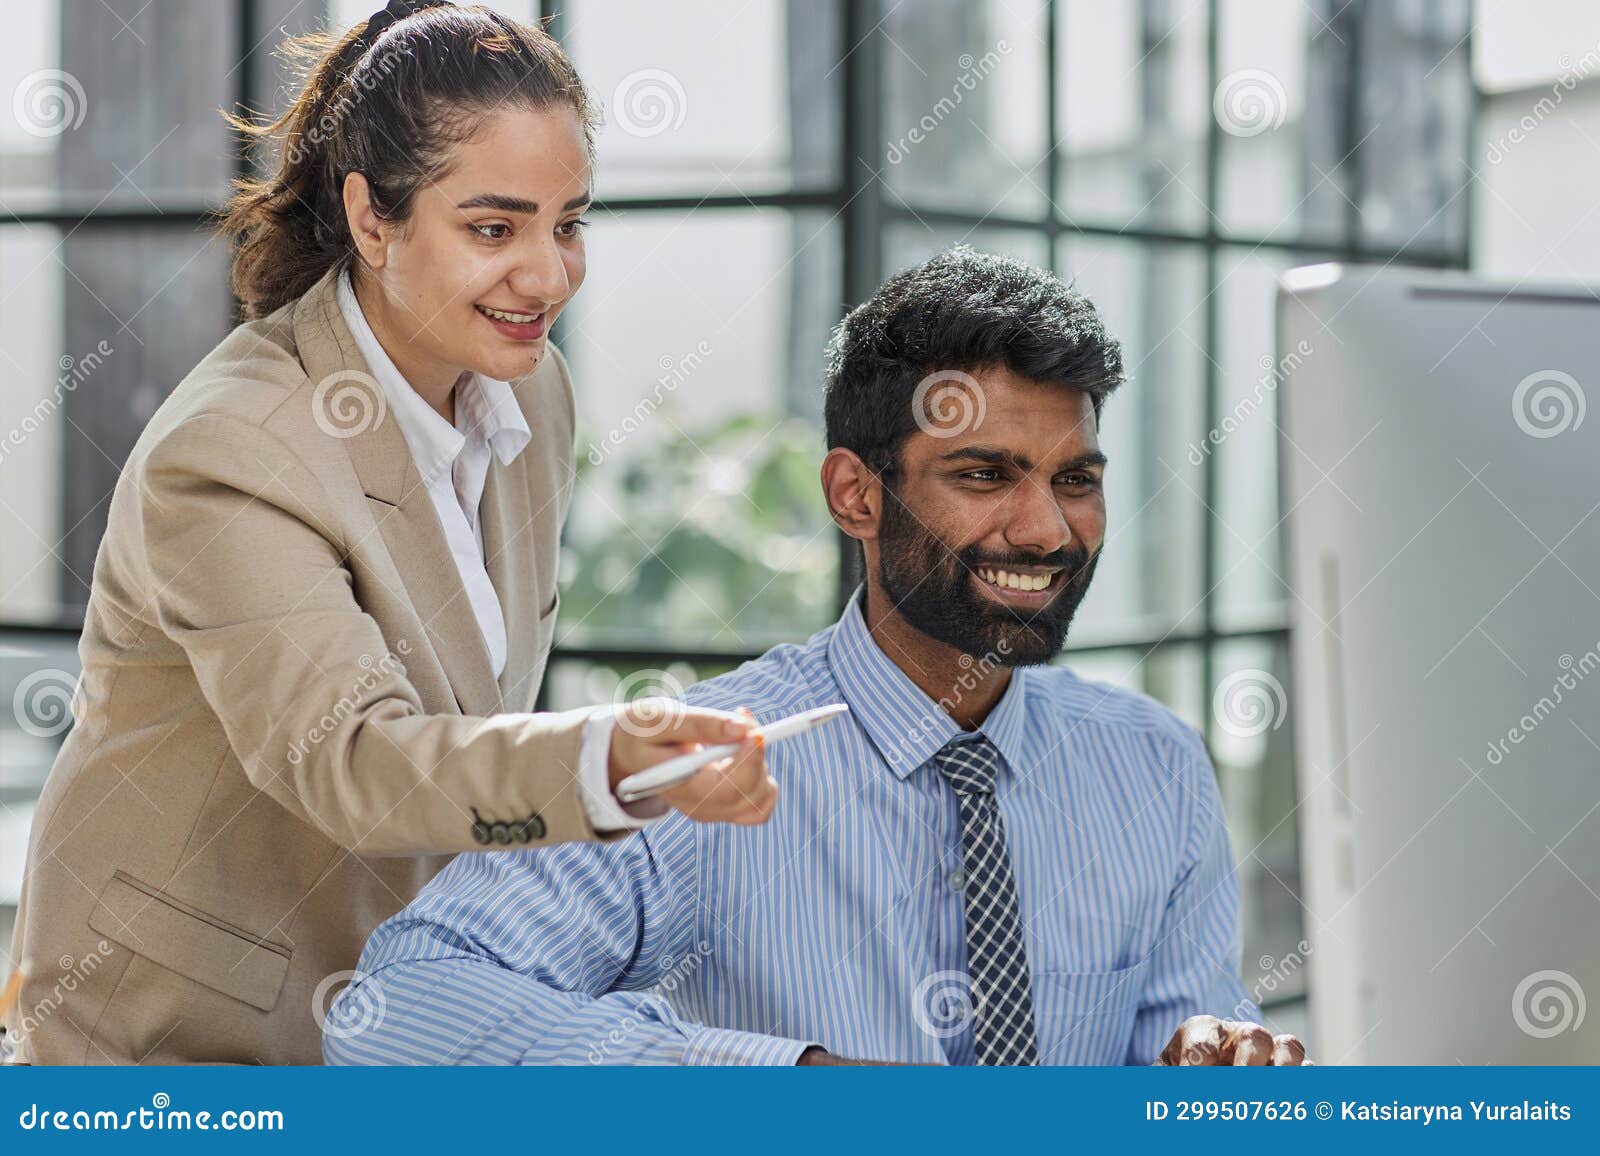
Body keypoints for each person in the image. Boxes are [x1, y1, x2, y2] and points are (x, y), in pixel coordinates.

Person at [1, 0, 776, 1066]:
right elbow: (354, 759)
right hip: (178, 1039)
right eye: (494, 229)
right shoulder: (233, 448)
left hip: (395, 1017)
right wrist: (607, 759)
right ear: (373, 220)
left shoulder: (530, 392)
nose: (547, 275)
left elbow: (470, 713)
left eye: (569, 223)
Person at [322, 247, 1309, 1066]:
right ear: (855, 494)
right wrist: (789, 1084)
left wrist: (1206, 1061)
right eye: (985, 475)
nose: (1047, 528)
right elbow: (394, 1013)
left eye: (1075, 479)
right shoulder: (705, 774)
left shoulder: (1153, 766)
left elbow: (1175, 1045)